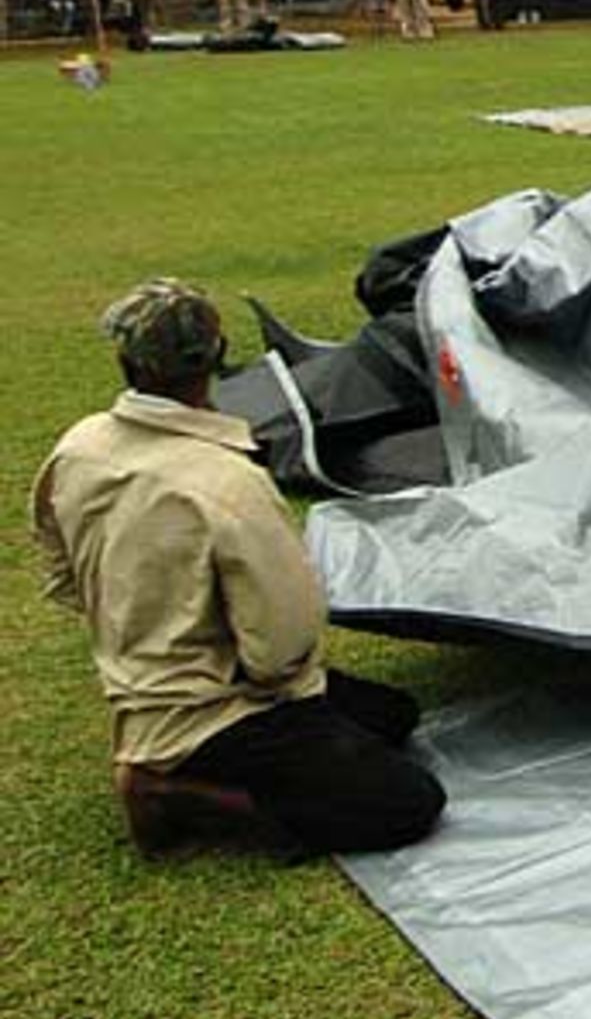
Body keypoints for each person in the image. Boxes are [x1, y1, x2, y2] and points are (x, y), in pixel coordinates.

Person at [30, 279, 446, 859]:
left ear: (127, 360)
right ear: (217, 359)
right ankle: (175, 792)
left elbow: (59, 566)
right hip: (214, 710)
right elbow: (279, 650)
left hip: (146, 682)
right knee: (407, 802)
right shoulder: (226, 483)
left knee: (391, 715)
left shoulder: (80, 447)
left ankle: (172, 759)